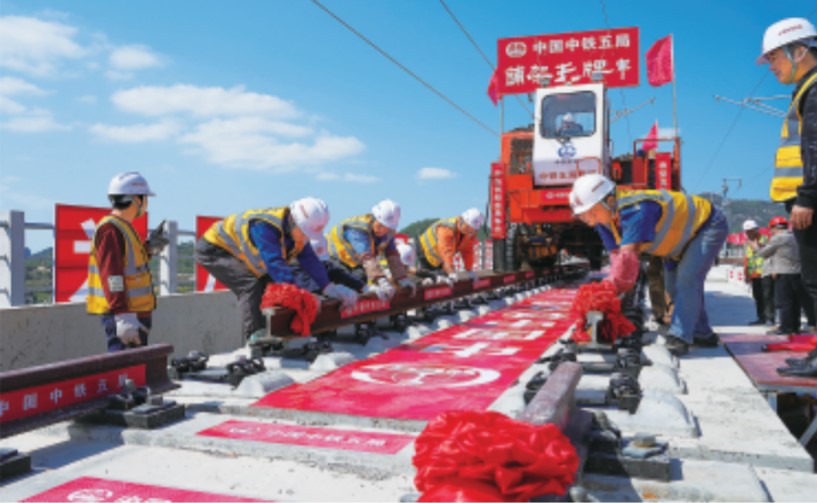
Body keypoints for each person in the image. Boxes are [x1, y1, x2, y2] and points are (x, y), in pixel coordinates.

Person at [569, 173, 728, 356]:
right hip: (678, 242)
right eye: (584, 216)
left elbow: (627, 263)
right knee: (673, 287)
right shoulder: (604, 223)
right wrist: (608, 290)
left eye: (593, 212)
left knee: (687, 280)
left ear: (610, 200)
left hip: (706, 225)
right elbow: (616, 259)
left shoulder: (636, 210)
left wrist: (604, 295)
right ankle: (702, 334)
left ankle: (680, 336)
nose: (589, 220)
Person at [195, 197, 358, 343]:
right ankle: (255, 336)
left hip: (232, 252)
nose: (306, 238)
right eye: (305, 233)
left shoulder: (298, 231)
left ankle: (277, 331)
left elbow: (310, 261)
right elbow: (275, 264)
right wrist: (301, 294)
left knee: (268, 283)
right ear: (295, 222)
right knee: (250, 284)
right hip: (214, 249)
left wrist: (328, 286)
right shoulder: (264, 227)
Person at [759, 18, 817, 331]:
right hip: (806, 199)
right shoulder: (806, 90)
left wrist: (807, 197)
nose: (770, 67)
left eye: (773, 57)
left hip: (810, 202)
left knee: (814, 280)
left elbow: (815, 147)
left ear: (798, 51)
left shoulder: (814, 89)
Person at [87, 172, 165, 352]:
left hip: (134, 314)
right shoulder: (110, 230)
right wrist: (122, 315)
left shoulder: (123, 228)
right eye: (145, 198)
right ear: (135, 199)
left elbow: (131, 264)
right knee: (124, 374)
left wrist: (149, 248)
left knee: (133, 372)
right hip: (125, 315)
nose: (146, 203)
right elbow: (112, 275)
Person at [326, 199, 415, 300]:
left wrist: (402, 279)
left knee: (360, 279)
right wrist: (381, 280)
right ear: (374, 218)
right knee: (346, 282)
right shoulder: (357, 229)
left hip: (354, 262)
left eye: (387, 227)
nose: (383, 230)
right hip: (335, 258)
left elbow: (393, 255)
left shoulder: (388, 233)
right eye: (380, 225)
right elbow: (366, 257)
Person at [754, 216, 816, 334]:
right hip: (798, 273)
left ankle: (786, 328)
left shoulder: (777, 238)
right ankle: (795, 326)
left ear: (774, 228)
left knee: (784, 302)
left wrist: (756, 247)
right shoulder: (796, 237)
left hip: (783, 274)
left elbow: (763, 253)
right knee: (796, 302)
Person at [418, 208, 485, 284]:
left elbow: (468, 251)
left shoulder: (469, 234)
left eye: (471, 230)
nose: (468, 231)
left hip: (439, 258)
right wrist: (451, 272)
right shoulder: (447, 228)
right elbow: (446, 250)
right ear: (461, 220)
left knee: (443, 280)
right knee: (429, 281)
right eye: (467, 227)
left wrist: (469, 270)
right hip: (425, 252)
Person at [742, 219, 774, 326]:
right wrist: (746, 273)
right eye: (747, 231)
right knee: (758, 297)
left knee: (767, 296)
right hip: (754, 274)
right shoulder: (747, 243)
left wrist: (757, 245)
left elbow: (767, 252)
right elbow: (747, 258)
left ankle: (770, 318)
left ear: (756, 229)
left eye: (751, 230)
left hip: (765, 272)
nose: (749, 233)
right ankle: (761, 317)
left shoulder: (765, 239)